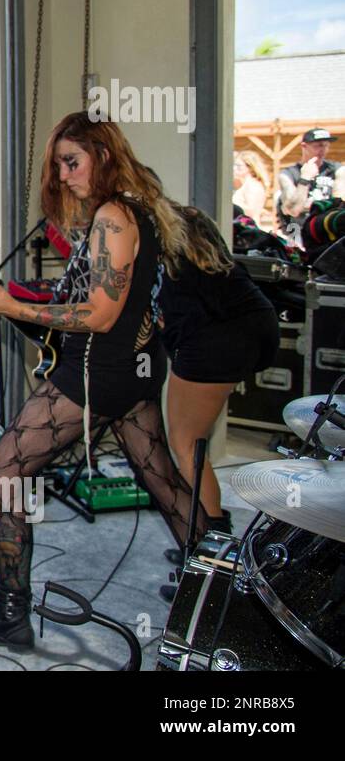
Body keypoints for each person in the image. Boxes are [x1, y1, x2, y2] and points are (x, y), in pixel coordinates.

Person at [0, 112, 210, 649]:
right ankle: (223, 588)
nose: (66, 175)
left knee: (2, 471)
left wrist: (14, 309)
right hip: (132, 372)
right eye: (59, 166)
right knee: (160, 477)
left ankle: (10, 613)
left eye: (72, 162)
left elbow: (98, 314)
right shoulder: (135, 211)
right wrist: (19, 297)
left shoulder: (114, 217)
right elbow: (99, 293)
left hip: (97, 373)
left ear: (104, 154)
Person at [156, 203, 278, 599]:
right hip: (255, 328)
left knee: (187, 444)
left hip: (216, 340)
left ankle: (212, 558)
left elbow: (169, 324)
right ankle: (207, 542)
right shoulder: (198, 238)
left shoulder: (165, 251)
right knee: (194, 443)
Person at [276, 127, 344, 235]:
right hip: (298, 233)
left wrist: (310, 205)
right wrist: (304, 179)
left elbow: (339, 205)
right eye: (318, 145)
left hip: (327, 231)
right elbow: (294, 210)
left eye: (326, 145)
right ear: (304, 146)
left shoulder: (336, 170)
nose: (323, 150)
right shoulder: (288, 174)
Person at [232, 150, 267, 228]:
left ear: (250, 167)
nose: (234, 168)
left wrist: (230, 204)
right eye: (234, 165)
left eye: (239, 166)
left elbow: (251, 210)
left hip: (249, 227)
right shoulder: (246, 184)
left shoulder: (252, 185)